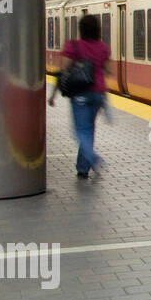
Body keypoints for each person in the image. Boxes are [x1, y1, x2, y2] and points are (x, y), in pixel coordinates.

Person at [49, 13, 112, 179]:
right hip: (98, 94)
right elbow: (109, 70)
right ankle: (83, 167)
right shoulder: (103, 47)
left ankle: (93, 158)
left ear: (81, 29)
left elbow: (63, 71)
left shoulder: (73, 46)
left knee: (80, 132)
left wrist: (53, 95)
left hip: (80, 95)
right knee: (89, 130)